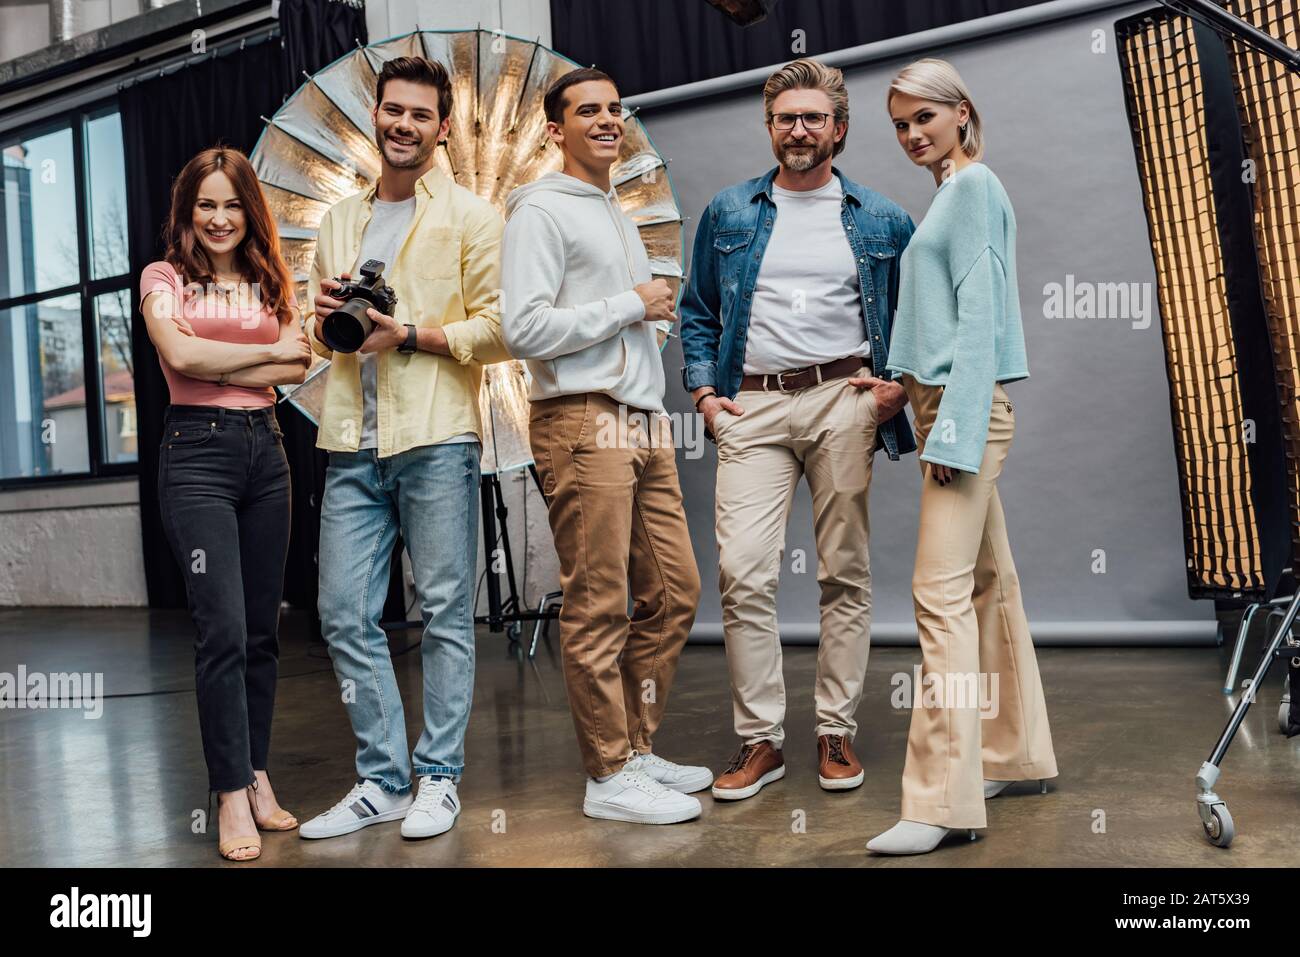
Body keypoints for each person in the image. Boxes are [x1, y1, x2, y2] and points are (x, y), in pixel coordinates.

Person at [678, 58, 917, 800]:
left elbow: (916, 318)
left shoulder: (880, 217)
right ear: (770, 126)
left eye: (814, 117)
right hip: (751, 406)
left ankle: (834, 728)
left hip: (842, 398)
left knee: (843, 571)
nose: (800, 129)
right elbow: (697, 311)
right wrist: (705, 394)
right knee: (744, 571)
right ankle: (761, 741)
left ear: (839, 128)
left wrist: (894, 391)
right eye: (786, 118)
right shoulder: (730, 211)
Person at [297, 55, 511, 841]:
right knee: (345, 613)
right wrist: (324, 322)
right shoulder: (339, 223)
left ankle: (440, 777)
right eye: (392, 110)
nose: (403, 124)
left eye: (421, 114)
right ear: (375, 116)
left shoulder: (472, 217)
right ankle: (383, 778)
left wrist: (409, 333)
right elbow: (316, 340)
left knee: (449, 611)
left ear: (442, 127)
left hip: (435, 439)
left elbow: (499, 329)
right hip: (352, 440)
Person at [501, 68, 709, 825]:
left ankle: (637, 746)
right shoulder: (539, 211)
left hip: (641, 420)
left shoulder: (614, 210)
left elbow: (615, 320)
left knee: (674, 591)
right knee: (599, 603)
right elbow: (522, 327)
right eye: (588, 110)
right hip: (582, 421)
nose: (607, 119)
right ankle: (607, 772)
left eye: (615, 109)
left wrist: (639, 321)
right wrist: (632, 303)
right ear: (555, 130)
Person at [867, 58, 1058, 855]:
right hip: (945, 405)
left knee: (936, 596)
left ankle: (941, 803)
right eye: (901, 125)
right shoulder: (952, 194)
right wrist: (900, 388)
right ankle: (1016, 752)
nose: (912, 135)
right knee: (988, 584)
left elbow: (980, 321)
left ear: (961, 113)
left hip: (962, 414)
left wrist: (951, 429)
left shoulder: (974, 189)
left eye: (924, 119)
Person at [141, 146, 312, 861]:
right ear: (188, 210)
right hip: (196, 455)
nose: (218, 218)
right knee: (223, 630)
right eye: (205, 204)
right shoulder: (164, 277)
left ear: (250, 211)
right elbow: (178, 359)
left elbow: (301, 359)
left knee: (263, 631)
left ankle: (259, 773)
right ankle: (229, 793)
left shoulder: (271, 279)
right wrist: (260, 357)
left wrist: (220, 352)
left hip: (265, 453)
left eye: (232, 204)